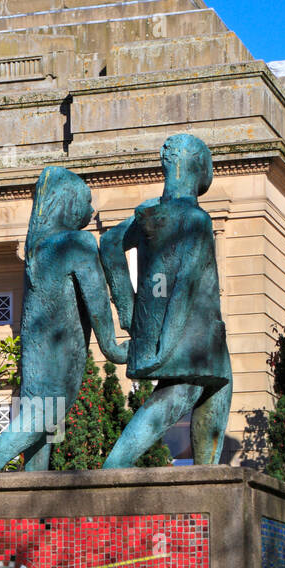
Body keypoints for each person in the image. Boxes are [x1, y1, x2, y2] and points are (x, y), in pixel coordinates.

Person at [0, 165, 127, 473]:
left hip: (37, 353)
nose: (91, 209)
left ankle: (34, 499)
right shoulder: (76, 244)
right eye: (86, 201)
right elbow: (96, 299)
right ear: (68, 203)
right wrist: (111, 346)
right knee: (43, 416)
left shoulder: (38, 249)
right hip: (58, 354)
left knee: (44, 424)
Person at [98, 133, 232, 468]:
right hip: (189, 332)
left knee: (218, 388)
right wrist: (166, 344)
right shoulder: (196, 220)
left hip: (193, 332)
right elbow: (185, 286)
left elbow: (110, 243)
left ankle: (206, 479)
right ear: (200, 167)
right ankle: (114, 467)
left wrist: (129, 310)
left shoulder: (150, 215)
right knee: (181, 393)